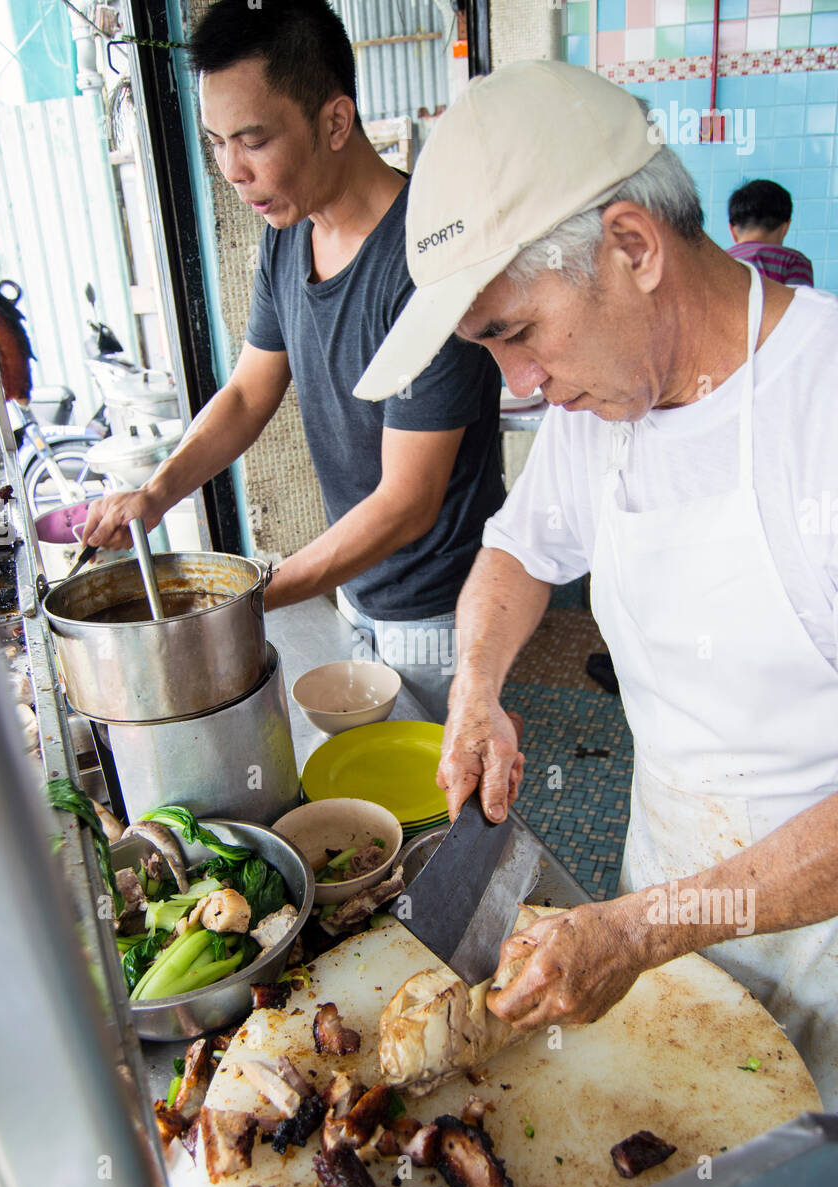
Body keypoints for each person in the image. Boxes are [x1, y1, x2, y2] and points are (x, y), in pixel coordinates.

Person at [354, 61, 838, 1107]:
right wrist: (477, 692)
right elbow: (516, 551)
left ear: (632, 246)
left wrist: (648, 926)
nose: (519, 387)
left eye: (517, 333)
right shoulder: (598, 404)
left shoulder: (824, 413)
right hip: (656, 919)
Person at [82, 0, 503, 722]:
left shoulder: (428, 264)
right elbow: (249, 393)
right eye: (217, 142)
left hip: (438, 604)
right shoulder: (289, 229)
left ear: (335, 122)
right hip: (361, 581)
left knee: (436, 800)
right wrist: (156, 495)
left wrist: (244, 599)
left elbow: (408, 502)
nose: (233, 172)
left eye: (253, 140)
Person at [726, 178, 813, 287]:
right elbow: (801, 303)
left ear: (732, 230)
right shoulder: (793, 261)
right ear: (785, 227)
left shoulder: (719, 261)